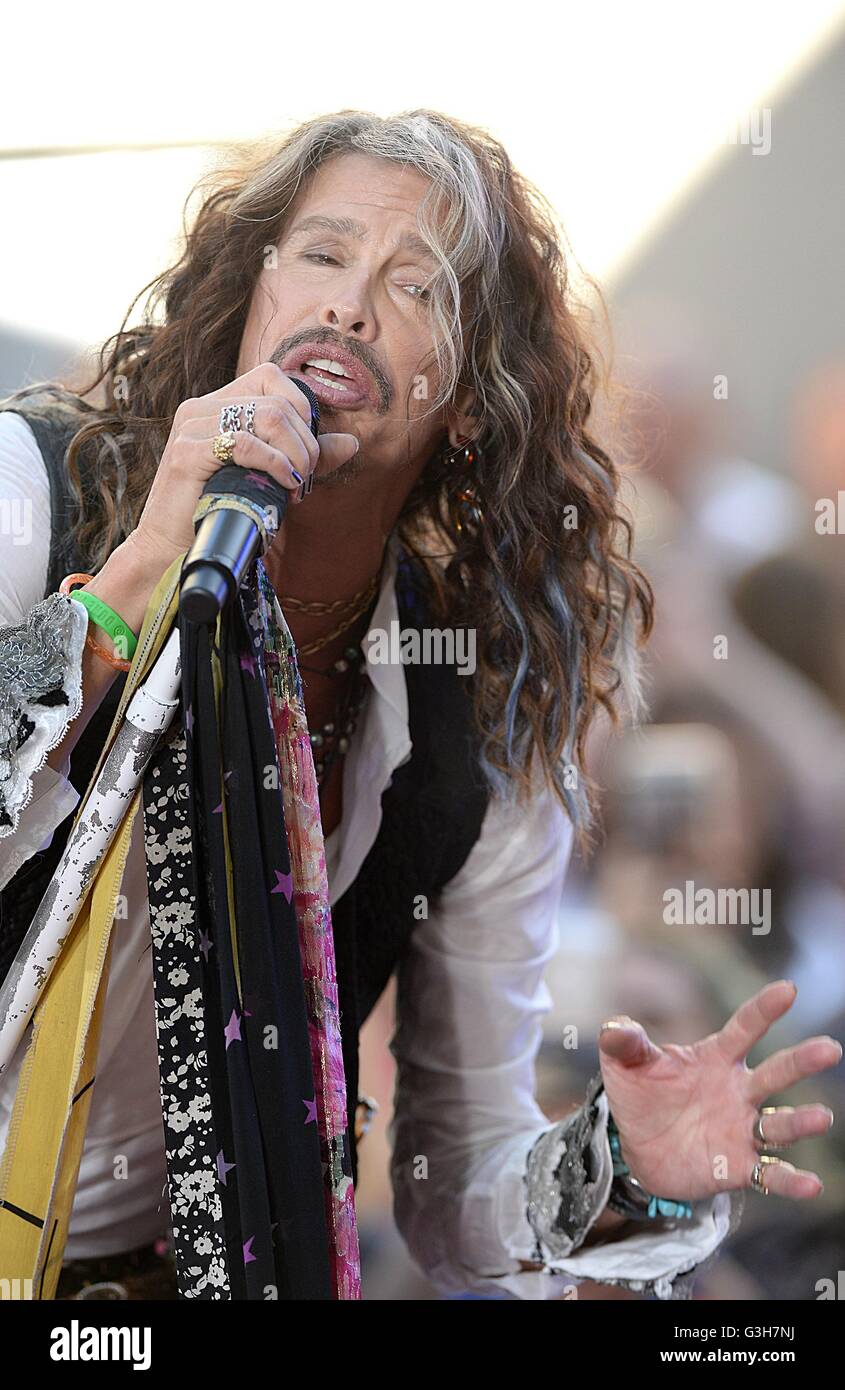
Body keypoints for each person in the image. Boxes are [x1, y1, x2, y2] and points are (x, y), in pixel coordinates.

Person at [0, 110, 839, 1301]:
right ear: (251, 291)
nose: (347, 306)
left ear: (476, 398)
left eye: (416, 285)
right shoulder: (32, 497)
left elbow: (455, 1174)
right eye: (322, 253)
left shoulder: (477, 706)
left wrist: (620, 1173)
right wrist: (139, 571)